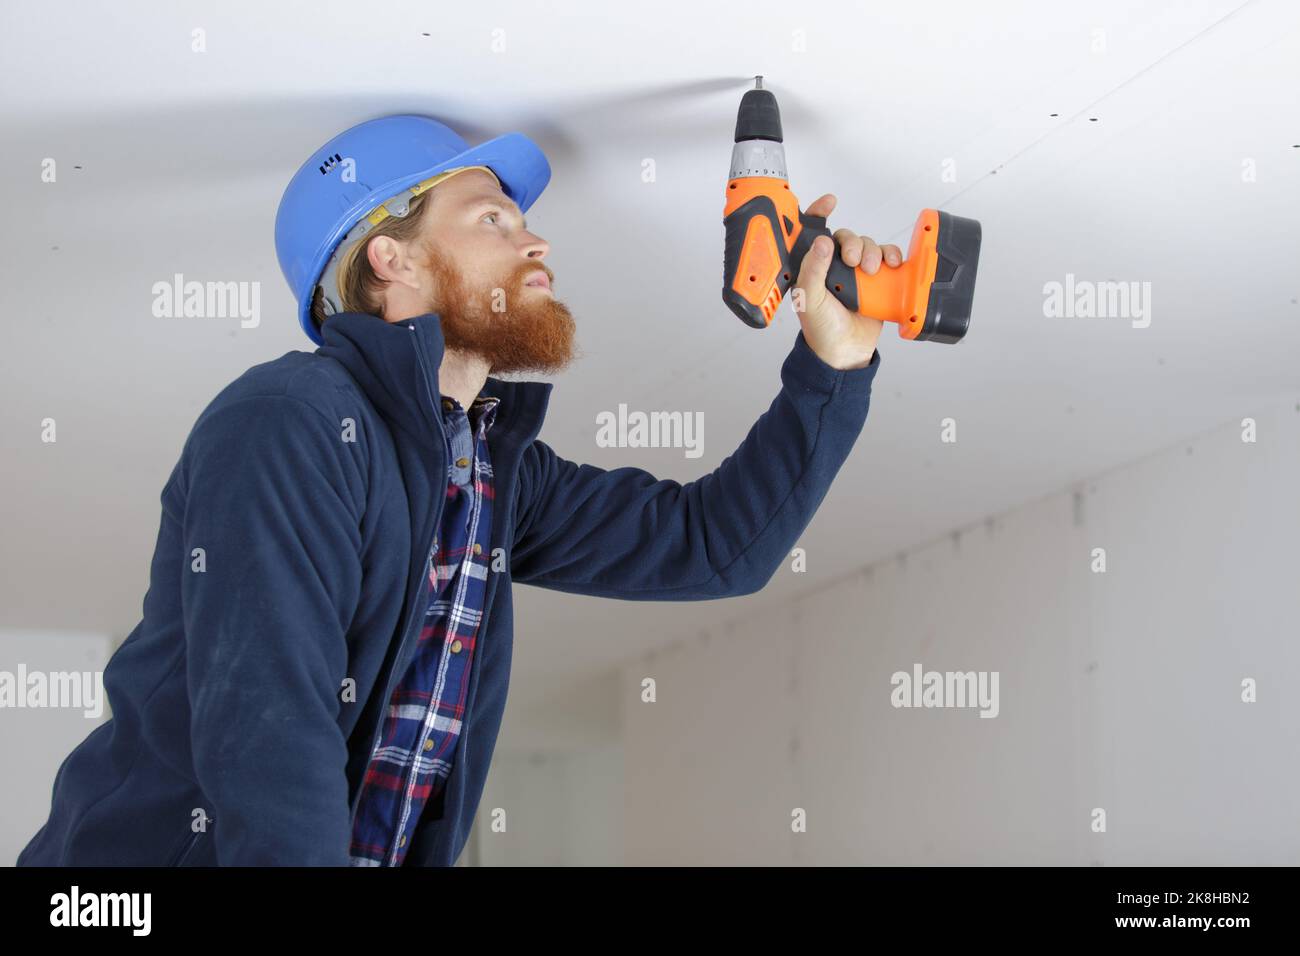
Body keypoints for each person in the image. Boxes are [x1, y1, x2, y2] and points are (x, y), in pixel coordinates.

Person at [18, 114, 889, 867]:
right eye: (494, 219)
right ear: (390, 258)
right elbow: (269, 734)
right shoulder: (292, 419)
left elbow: (715, 548)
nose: (535, 241)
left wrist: (835, 361)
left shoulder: (488, 469)